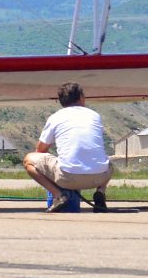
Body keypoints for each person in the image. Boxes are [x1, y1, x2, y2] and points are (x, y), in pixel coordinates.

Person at [24, 82, 113, 213]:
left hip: (67, 178)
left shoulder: (55, 117)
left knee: (28, 160)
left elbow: (40, 150)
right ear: (81, 97)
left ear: (61, 101)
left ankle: (58, 196)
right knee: (109, 162)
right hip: (99, 177)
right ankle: (100, 192)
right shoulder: (95, 116)